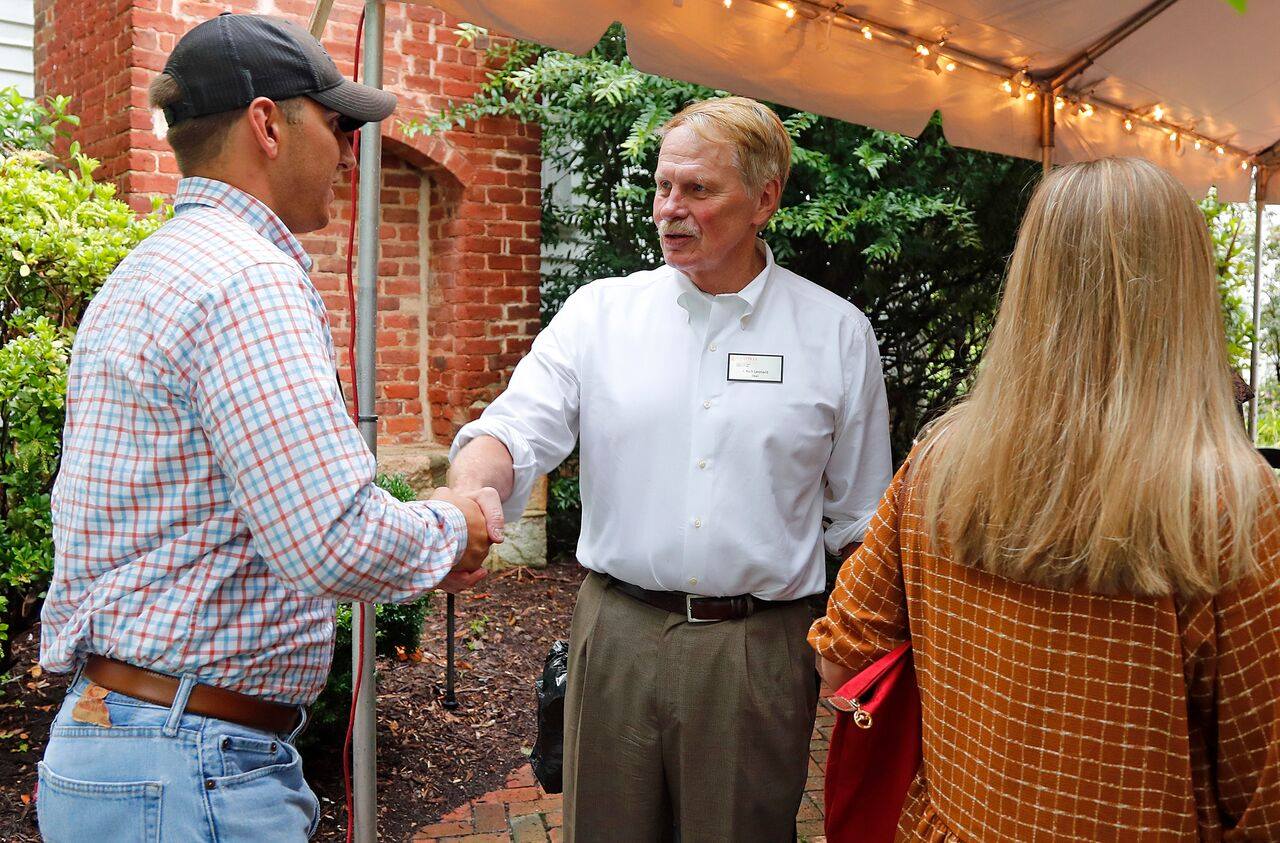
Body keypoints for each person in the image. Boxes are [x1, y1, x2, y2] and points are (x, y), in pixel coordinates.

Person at [36, 14, 498, 842]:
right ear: (267, 123)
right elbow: (329, 536)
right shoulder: (249, 279)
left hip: (118, 740)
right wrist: (453, 526)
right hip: (188, 764)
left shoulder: (146, 269)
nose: (352, 149)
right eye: (338, 122)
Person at [448, 96, 893, 841]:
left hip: (757, 652)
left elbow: (860, 521)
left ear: (765, 198)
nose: (669, 209)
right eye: (663, 186)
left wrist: (865, 654)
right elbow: (513, 430)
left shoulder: (836, 335)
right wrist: (469, 494)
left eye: (698, 190)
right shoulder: (601, 314)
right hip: (615, 636)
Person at [811, 157, 1280, 841]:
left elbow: (840, 655)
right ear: (1185, 290)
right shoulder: (1231, 504)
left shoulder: (941, 460)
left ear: (1029, 282)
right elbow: (1263, 795)